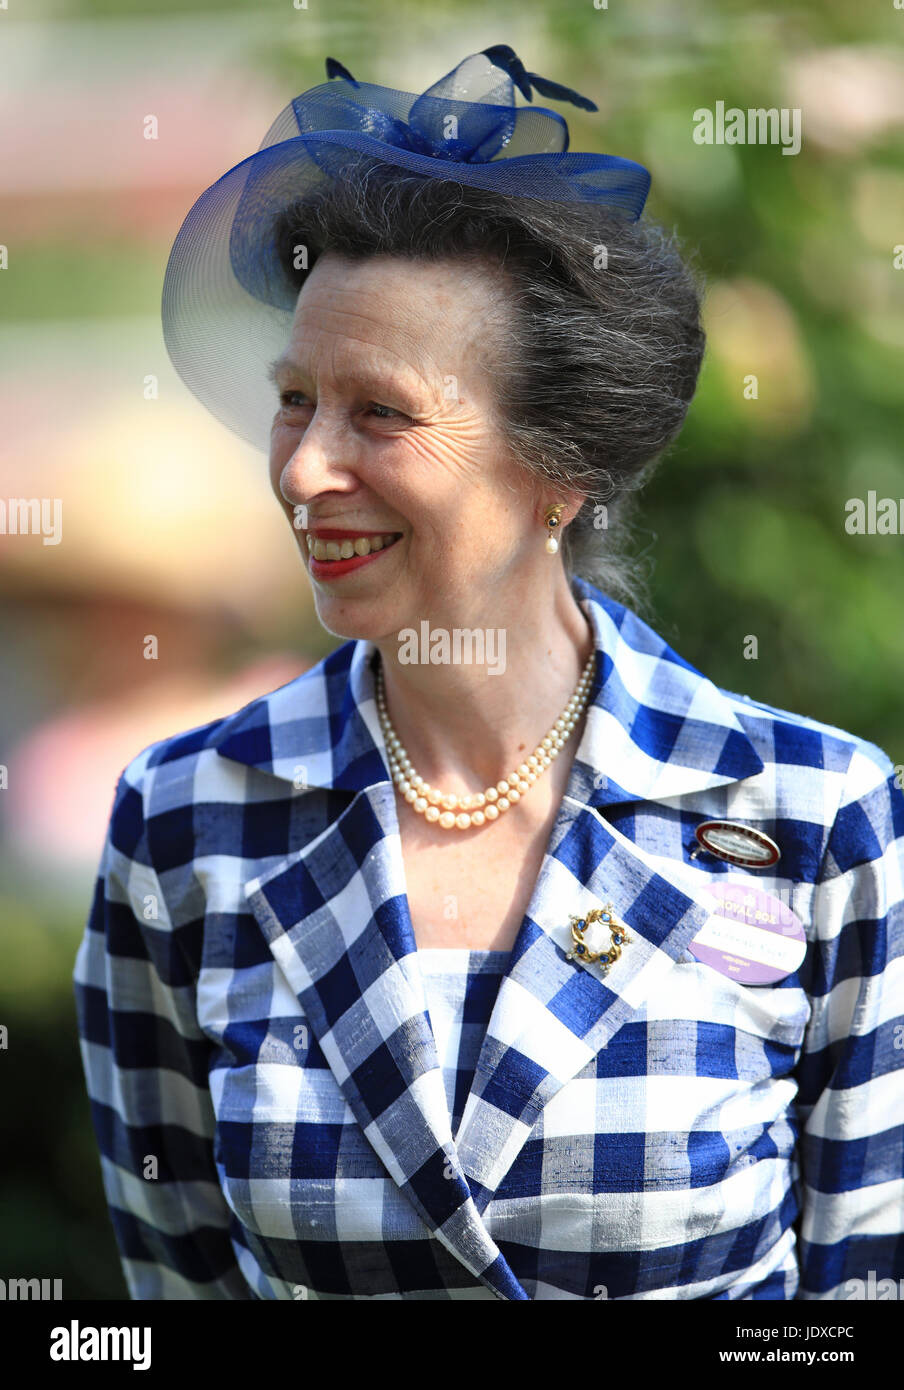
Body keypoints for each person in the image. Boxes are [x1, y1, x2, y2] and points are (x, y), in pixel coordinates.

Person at [73, 44, 904, 1301]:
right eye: (295, 402)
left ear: (560, 470)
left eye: (382, 415)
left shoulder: (809, 813)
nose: (302, 471)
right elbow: (173, 1285)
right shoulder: (188, 820)